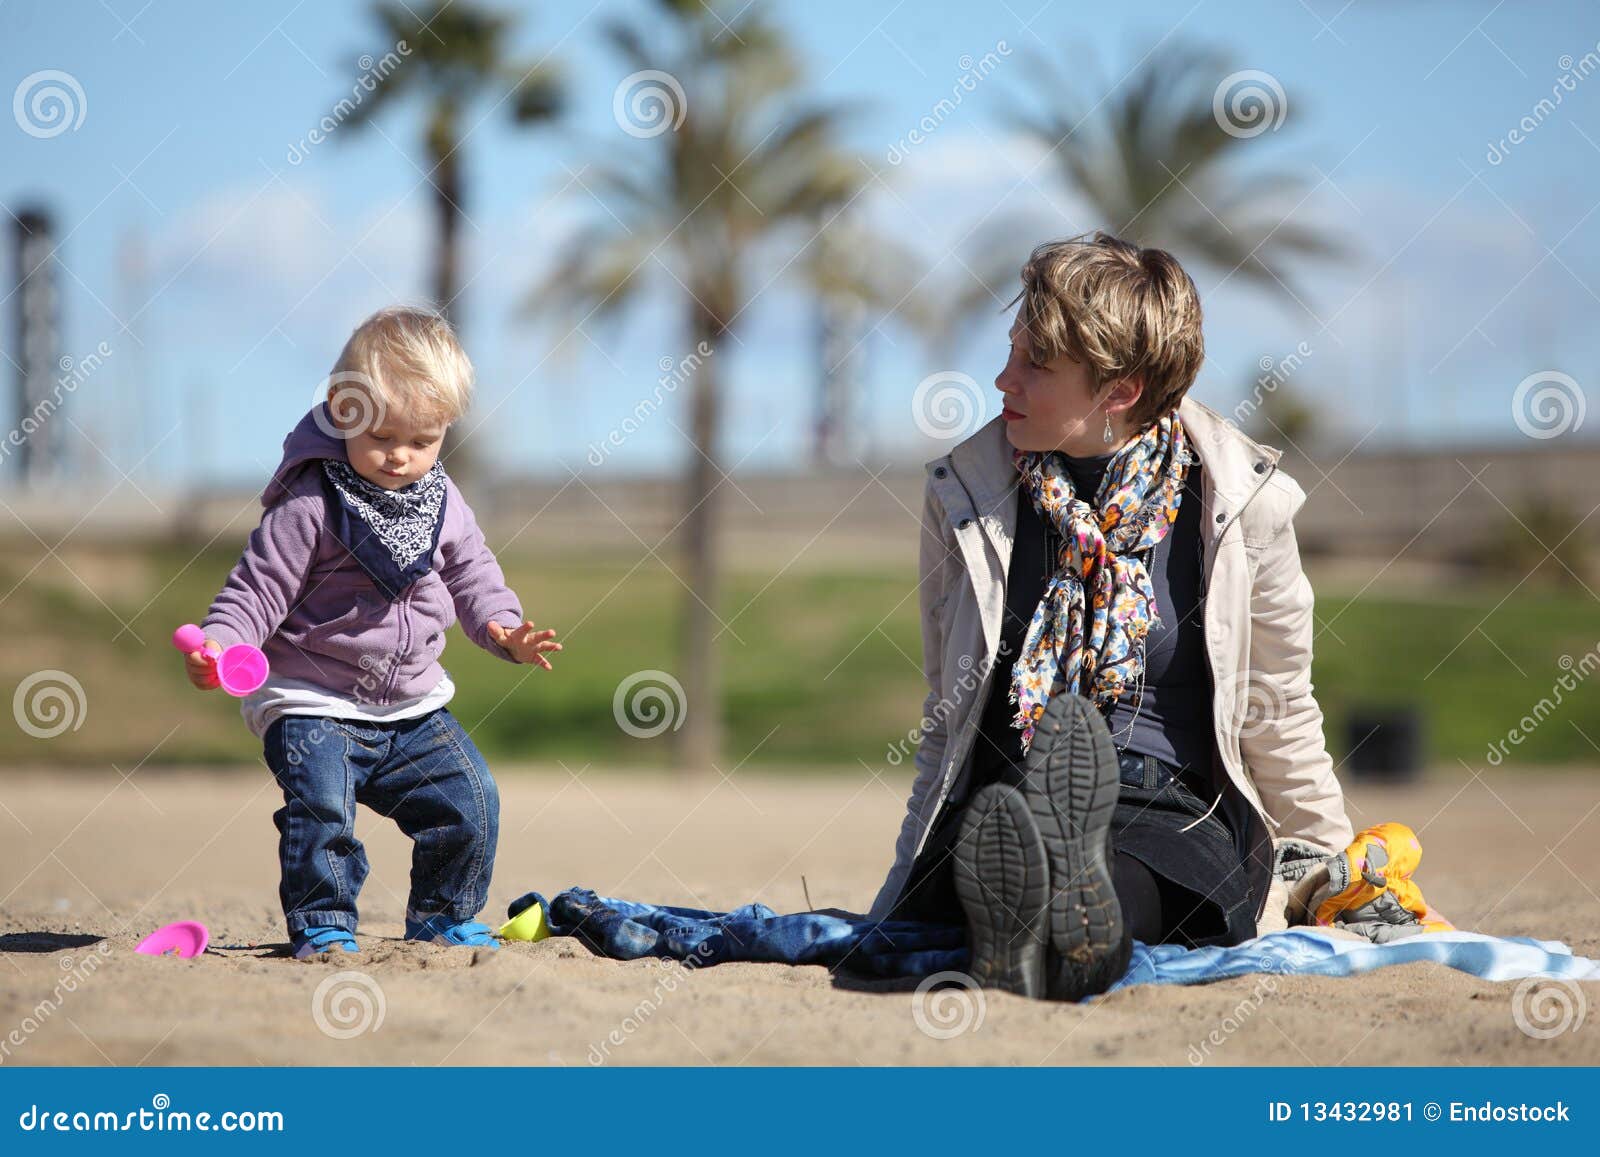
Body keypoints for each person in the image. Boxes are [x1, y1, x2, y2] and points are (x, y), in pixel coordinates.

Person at [871, 233, 1354, 1000]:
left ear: (1119, 391)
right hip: (1012, 794)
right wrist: (895, 893)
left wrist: (1336, 874)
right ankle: (1037, 915)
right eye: (1011, 350)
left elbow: (1280, 710)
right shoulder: (967, 493)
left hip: (1172, 809)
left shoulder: (1242, 507)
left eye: (1036, 363)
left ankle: (1055, 920)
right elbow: (949, 715)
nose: (1003, 379)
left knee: (1125, 879)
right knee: (990, 853)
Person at [185, 306, 562, 959]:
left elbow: (473, 573)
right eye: (383, 435)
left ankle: (442, 916)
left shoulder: (441, 499)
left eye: (423, 439)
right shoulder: (313, 501)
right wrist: (222, 643)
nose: (400, 455)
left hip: (410, 705)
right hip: (314, 699)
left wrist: (504, 628)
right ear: (342, 408)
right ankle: (324, 921)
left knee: (469, 800)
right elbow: (257, 587)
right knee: (323, 805)